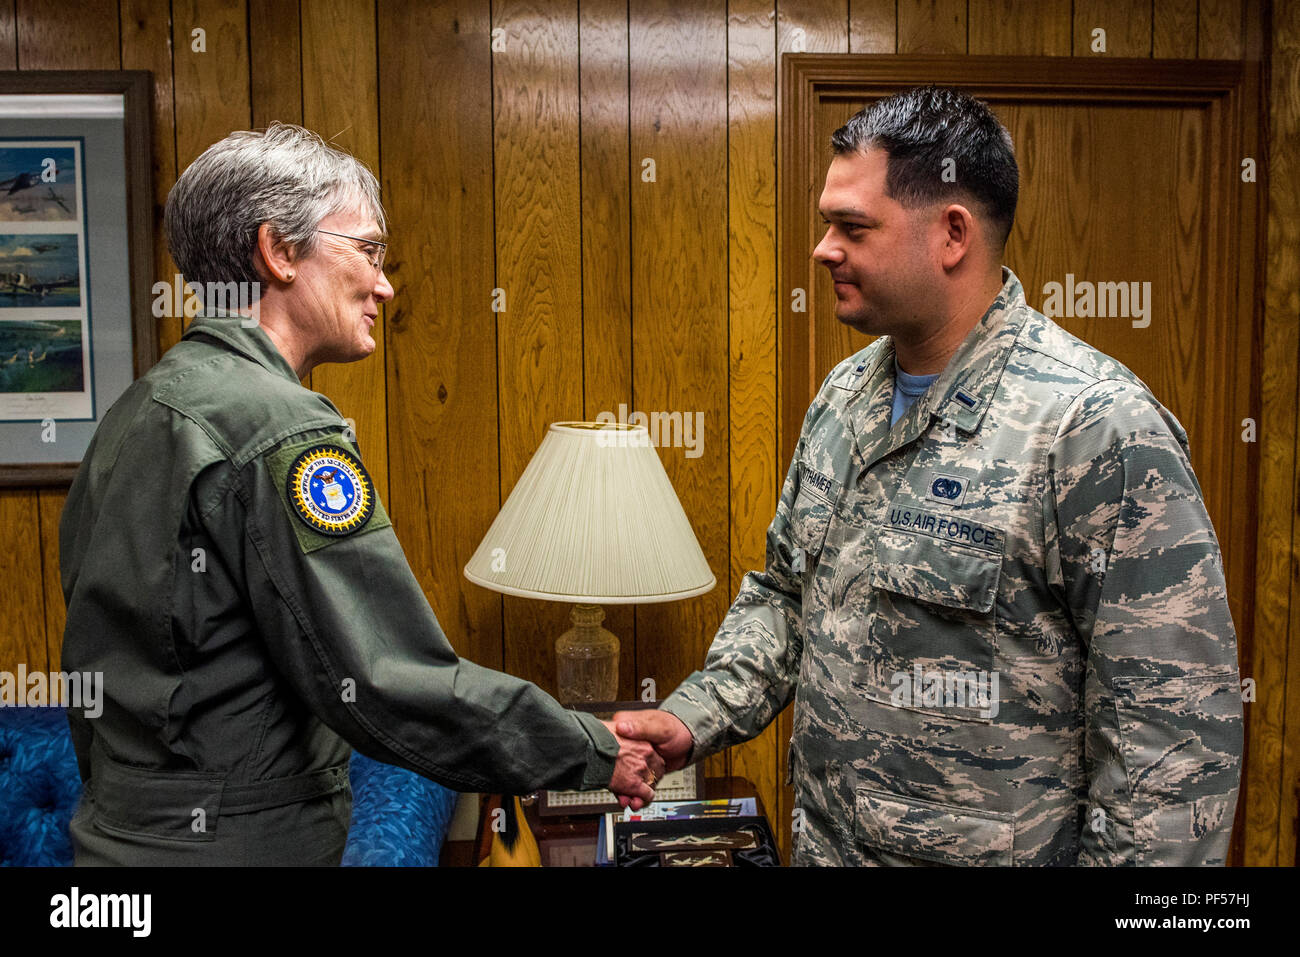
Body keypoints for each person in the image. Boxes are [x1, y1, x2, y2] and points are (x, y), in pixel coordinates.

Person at [615, 87, 1243, 866]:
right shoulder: (844, 400)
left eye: (852, 227)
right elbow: (785, 595)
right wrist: (697, 714)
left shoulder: (1093, 428)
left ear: (951, 234)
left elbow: (1172, 749)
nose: (823, 248)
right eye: (826, 224)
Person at [59, 123, 662, 866]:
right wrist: (594, 747)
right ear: (279, 250)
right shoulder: (277, 426)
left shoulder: (133, 413)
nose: (385, 283)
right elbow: (384, 675)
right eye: (369, 251)